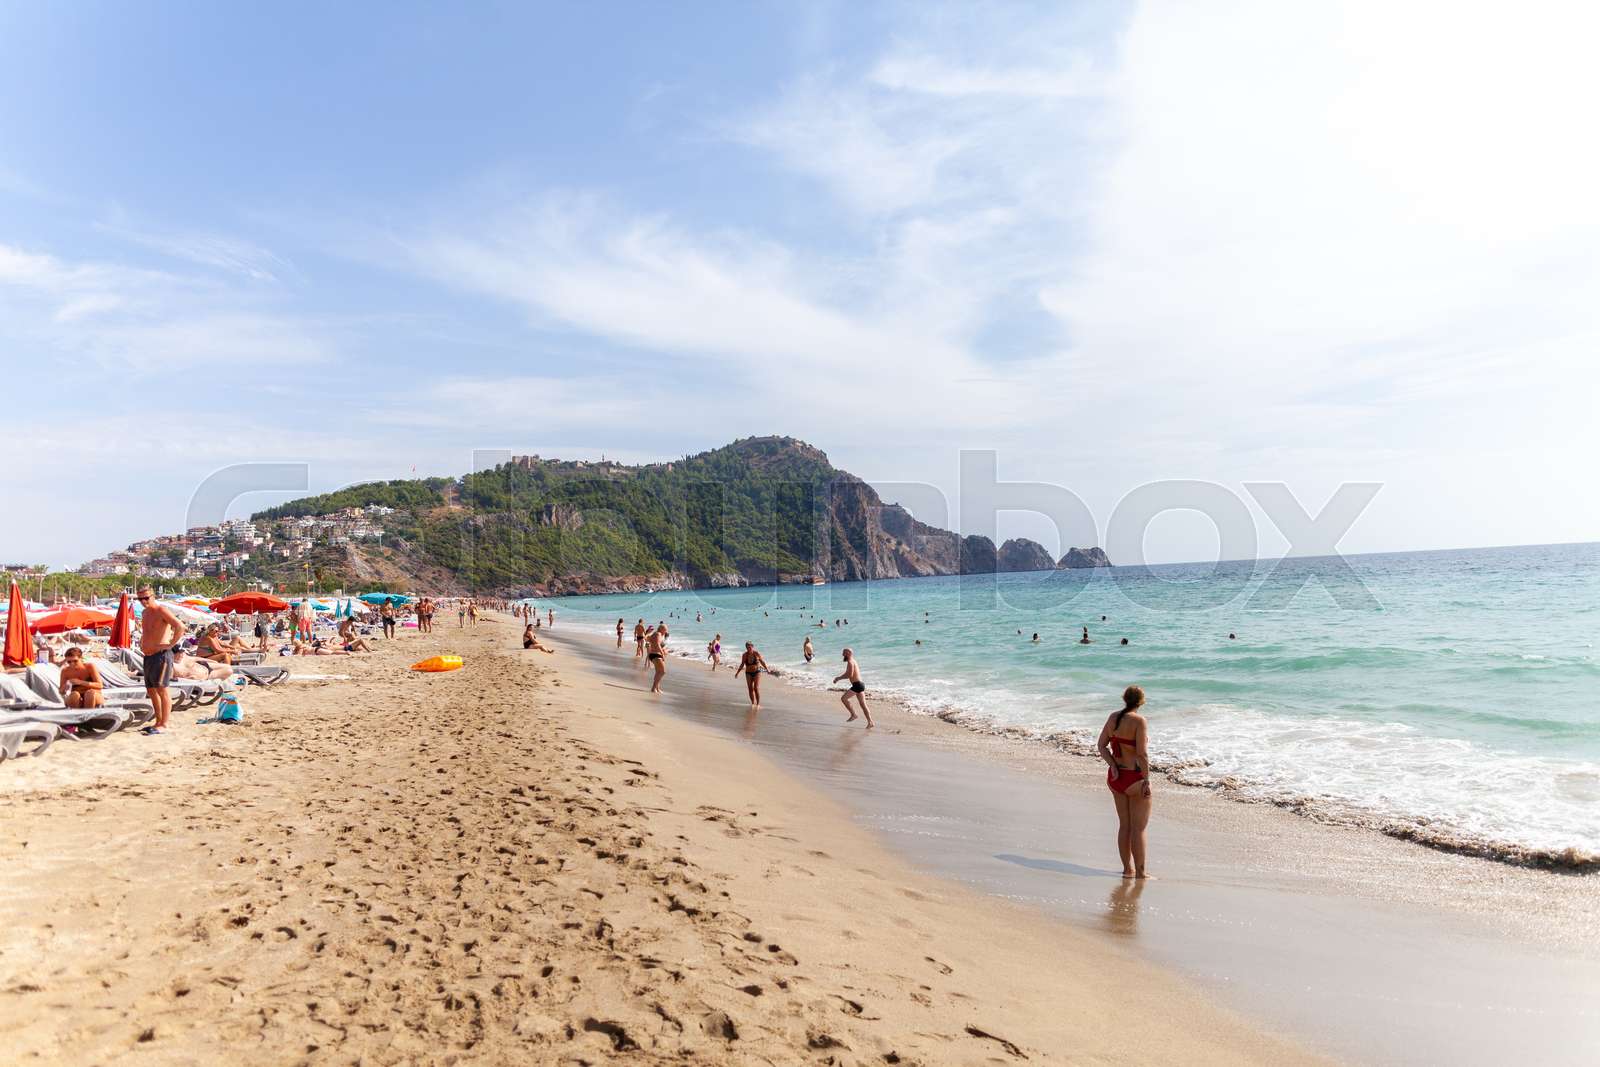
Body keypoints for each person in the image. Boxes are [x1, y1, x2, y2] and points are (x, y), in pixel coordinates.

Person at [1096, 685, 1152, 879]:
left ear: (1124, 698)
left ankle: (1128, 870)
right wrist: (1147, 779)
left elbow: (1101, 746)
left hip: (1116, 777)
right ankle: (1141, 873)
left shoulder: (1113, 717)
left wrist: (1112, 765)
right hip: (1134, 778)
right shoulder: (1139, 721)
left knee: (1124, 826)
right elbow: (1142, 754)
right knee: (1139, 829)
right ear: (1141, 701)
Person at [135, 587, 182, 735]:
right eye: (140, 599)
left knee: (162, 689)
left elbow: (180, 626)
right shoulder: (144, 613)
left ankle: (165, 724)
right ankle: (158, 721)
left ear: (153, 596)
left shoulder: (161, 610)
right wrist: (142, 642)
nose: (143, 601)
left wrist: (170, 644)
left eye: (146, 598)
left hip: (161, 655)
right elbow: (147, 631)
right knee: (151, 690)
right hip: (148, 656)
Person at [833, 648, 872, 727]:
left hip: (857, 685)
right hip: (860, 684)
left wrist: (838, 678)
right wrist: (839, 677)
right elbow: (848, 673)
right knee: (863, 705)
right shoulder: (853, 661)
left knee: (844, 699)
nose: (842, 655)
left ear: (849, 653)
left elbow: (849, 675)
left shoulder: (850, 662)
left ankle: (853, 714)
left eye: (844, 653)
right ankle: (870, 722)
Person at [735, 641, 769, 708]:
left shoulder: (756, 653)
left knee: (756, 688)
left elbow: (762, 662)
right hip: (748, 673)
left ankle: (758, 704)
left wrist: (767, 669)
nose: (749, 648)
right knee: (750, 688)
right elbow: (742, 664)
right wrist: (737, 673)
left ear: (752, 646)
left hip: (757, 672)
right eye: (747, 647)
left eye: (750, 647)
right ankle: (753, 703)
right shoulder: (744, 655)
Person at [645, 623, 668, 693]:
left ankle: (657, 688)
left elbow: (647, 639)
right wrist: (663, 654)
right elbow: (657, 645)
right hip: (656, 654)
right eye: (665, 630)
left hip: (653, 654)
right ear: (661, 629)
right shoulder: (658, 634)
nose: (666, 632)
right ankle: (653, 688)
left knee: (658, 672)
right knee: (662, 672)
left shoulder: (655, 634)